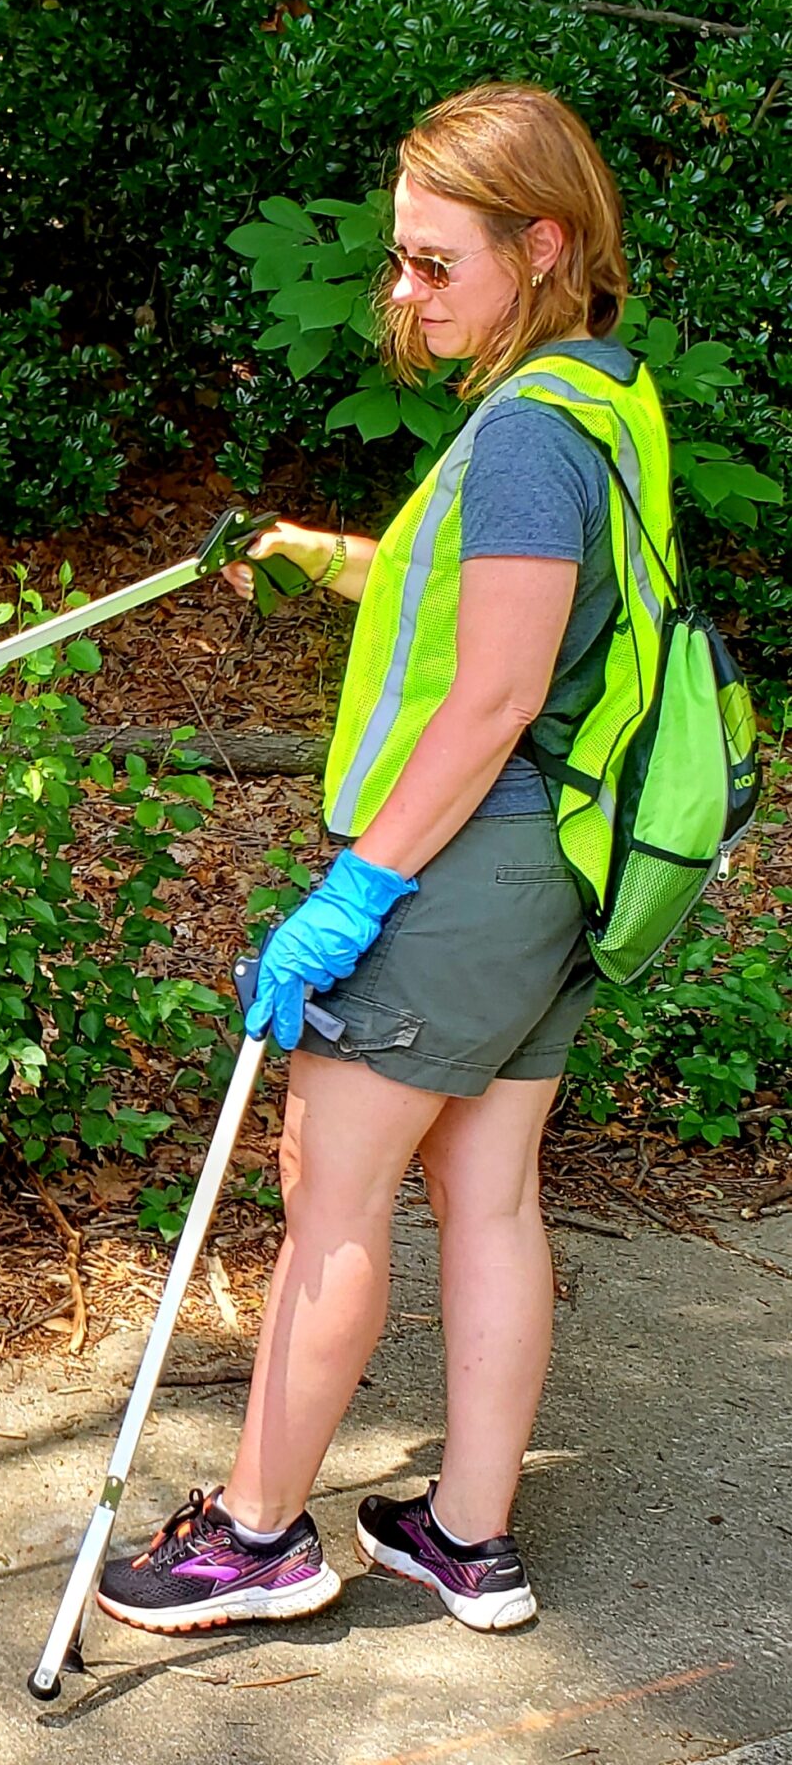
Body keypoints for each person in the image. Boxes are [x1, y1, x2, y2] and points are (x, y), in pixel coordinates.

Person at [95, 83, 672, 1636]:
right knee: (486, 1192)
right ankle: (462, 1539)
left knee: (326, 1190)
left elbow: (490, 693)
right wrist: (344, 562)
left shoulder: (531, 435)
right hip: (554, 864)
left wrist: (358, 889)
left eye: (434, 262)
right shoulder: (604, 394)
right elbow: (529, 631)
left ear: (539, 245)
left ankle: (260, 1537)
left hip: (465, 862)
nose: (402, 292)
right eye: (397, 260)